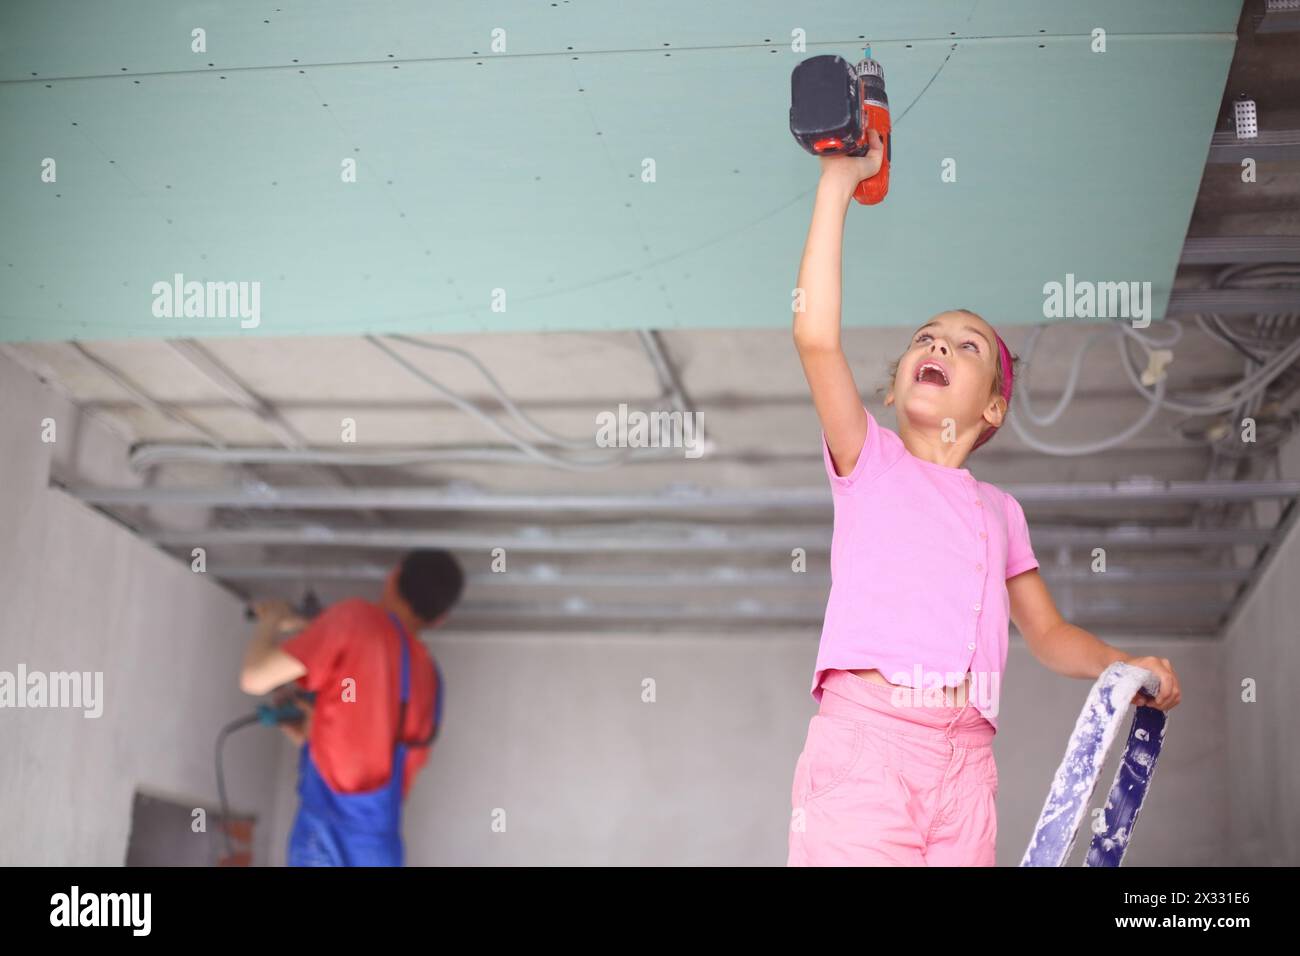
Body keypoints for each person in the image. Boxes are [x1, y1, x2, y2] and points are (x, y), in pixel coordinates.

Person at [787, 129, 1182, 866]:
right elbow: (815, 338)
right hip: (868, 750)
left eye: (966, 346)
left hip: (968, 767)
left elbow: (1049, 634)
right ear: (894, 386)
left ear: (993, 408)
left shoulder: (1001, 513)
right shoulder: (869, 459)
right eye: (925, 338)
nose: (938, 345)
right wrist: (837, 184)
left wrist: (1123, 665)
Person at [239, 549, 464, 866]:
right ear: (440, 619)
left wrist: (270, 620)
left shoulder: (356, 620)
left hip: (326, 838)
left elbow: (253, 677)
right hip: (379, 851)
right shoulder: (429, 678)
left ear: (393, 576)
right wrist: (313, 738)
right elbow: (374, 756)